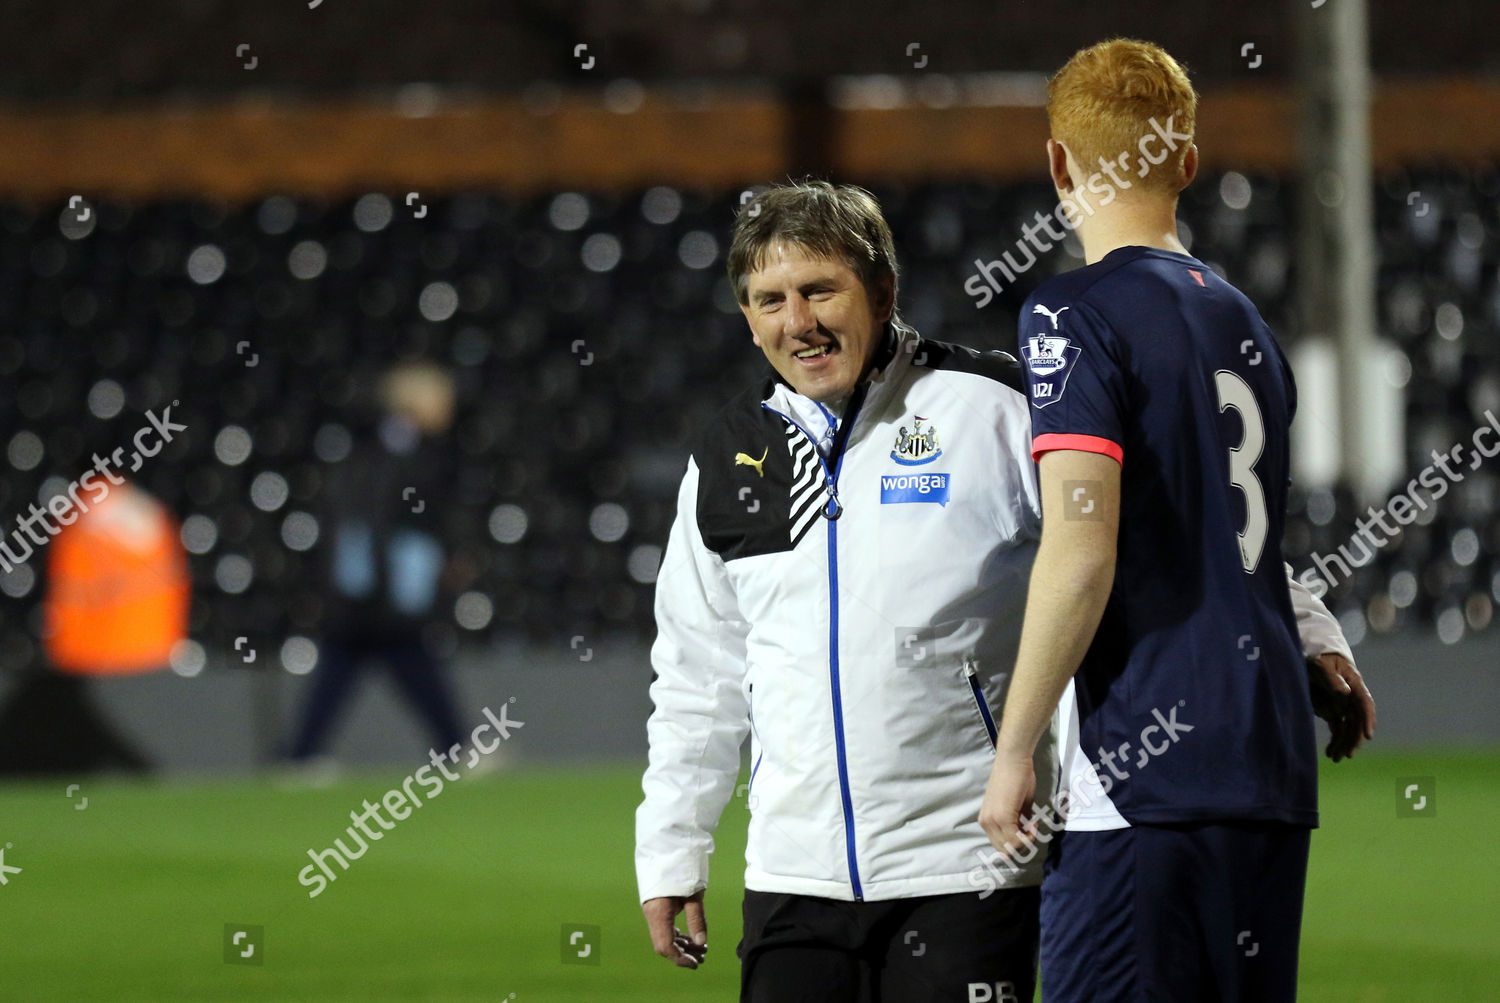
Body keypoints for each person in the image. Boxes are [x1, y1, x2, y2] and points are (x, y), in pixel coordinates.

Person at [635, 180, 1354, 1002]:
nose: (797, 321)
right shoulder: (727, 464)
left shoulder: (996, 407)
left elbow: (1169, 524)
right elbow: (698, 674)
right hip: (792, 878)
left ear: (882, 290)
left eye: (819, 290)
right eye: (769, 300)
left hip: (969, 867)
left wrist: (1307, 627)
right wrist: (670, 851)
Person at [977, 39, 1378, 1003]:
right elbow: (1241, 536)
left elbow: (1081, 553)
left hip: (1142, 770)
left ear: (1059, 164)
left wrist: (1013, 750)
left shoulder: (1071, 314)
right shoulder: (1248, 325)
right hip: (1267, 760)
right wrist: (1316, 641)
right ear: (1188, 164)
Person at [285, 361, 468, 772]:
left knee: (357, 665)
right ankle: (456, 749)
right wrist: (385, 580)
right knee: (404, 658)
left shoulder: (384, 444)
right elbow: (381, 517)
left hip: (373, 586)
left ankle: (301, 756)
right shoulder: (398, 447)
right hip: (382, 586)